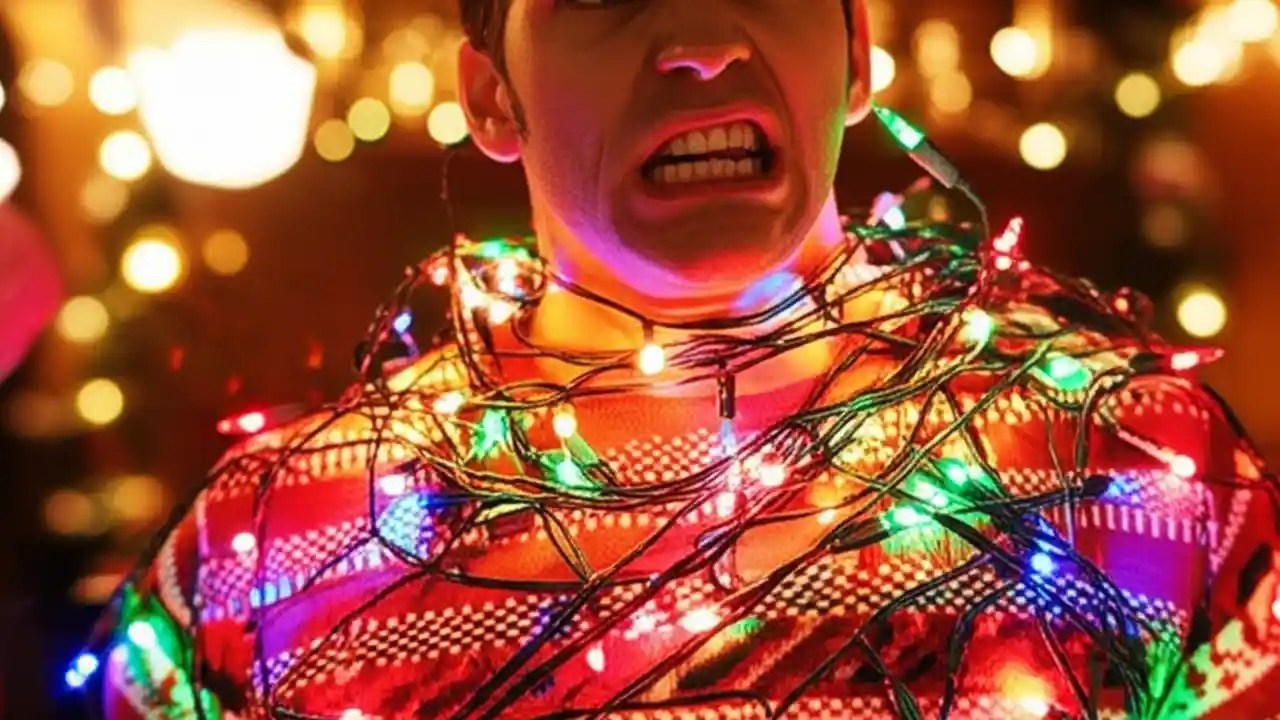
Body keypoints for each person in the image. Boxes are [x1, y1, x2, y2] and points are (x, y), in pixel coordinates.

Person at [91, 1, 1280, 718]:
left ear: (857, 52)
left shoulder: (1143, 470)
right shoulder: (265, 544)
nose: (706, 43)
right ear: (491, 96)